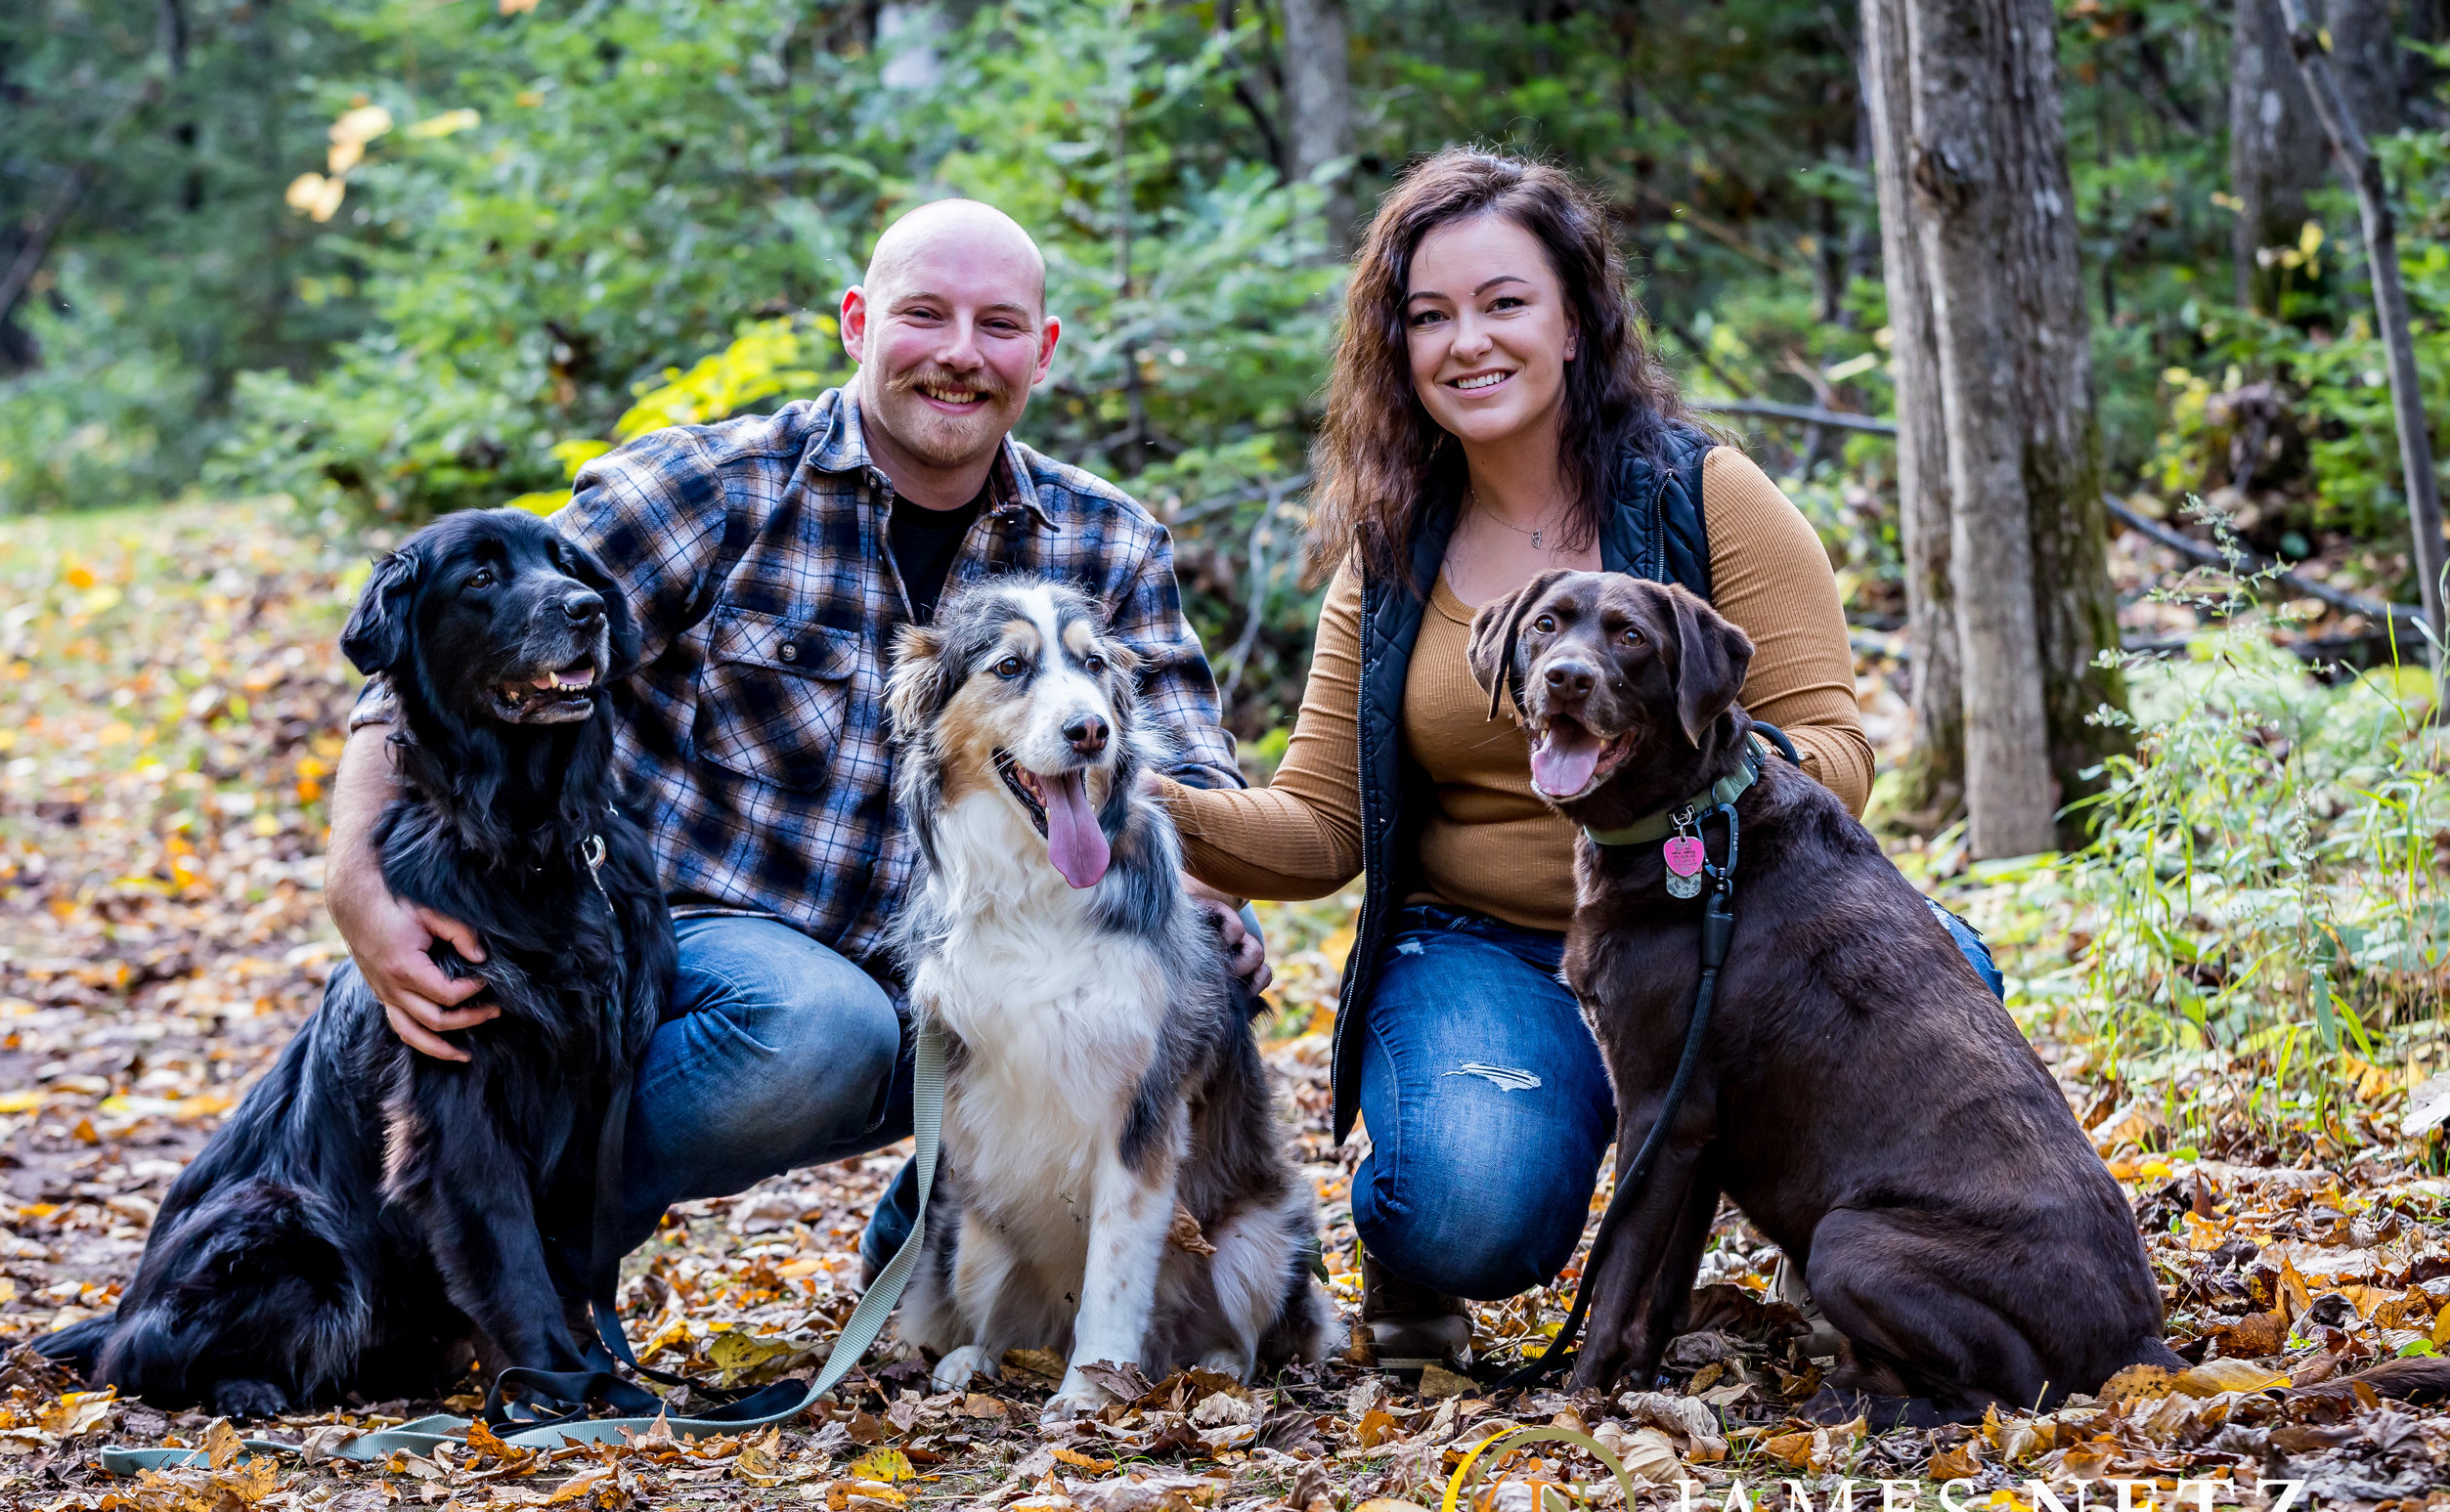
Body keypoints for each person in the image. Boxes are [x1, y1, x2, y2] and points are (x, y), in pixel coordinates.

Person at [1155, 149, 2001, 1374]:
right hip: (1491, 951)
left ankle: (1855, 1240)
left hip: (1721, 933)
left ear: (1573, 320)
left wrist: (1679, 772)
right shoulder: (1394, 550)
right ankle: (1425, 1222)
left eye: (1504, 302)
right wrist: (1139, 803)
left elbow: (1835, 754)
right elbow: (1321, 827)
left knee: (1953, 976)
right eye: (1428, 315)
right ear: (1396, 345)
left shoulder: (1707, 496)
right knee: (1464, 1203)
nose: (1468, 341)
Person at [324, 199, 1267, 1280]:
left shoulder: (1105, 540)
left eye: (999, 325)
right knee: (822, 1025)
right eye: (925, 314)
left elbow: (1188, 761)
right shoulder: (713, 488)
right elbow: (448, 664)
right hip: (707, 959)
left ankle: (937, 1246)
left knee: (1197, 969)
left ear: (1042, 352)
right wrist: (355, 879)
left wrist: (1213, 901)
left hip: (971, 950)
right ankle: (518, 1249)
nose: (961, 355)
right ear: (857, 322)